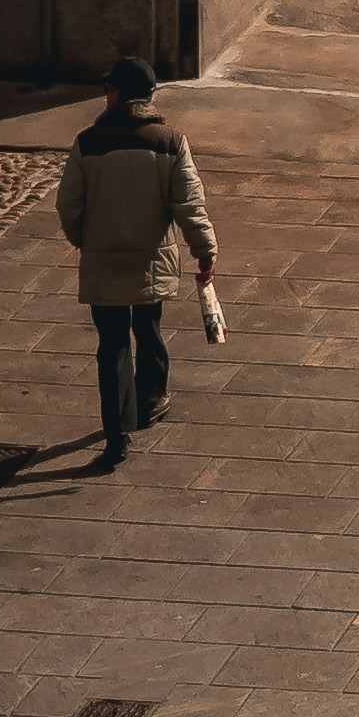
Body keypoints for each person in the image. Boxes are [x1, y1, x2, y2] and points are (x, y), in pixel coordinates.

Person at [54, 55, 217, 466]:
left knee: (111, 347)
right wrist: (205, 251)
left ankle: (116, 438)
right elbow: (189, 204)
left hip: (104, 261)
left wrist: (86, 240)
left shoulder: (87, 142)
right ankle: (150, 400)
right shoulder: (169, 141)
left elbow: (68, 204)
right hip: (152, 258)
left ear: (116, 94)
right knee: (149, 327)